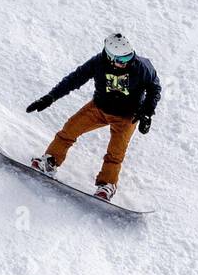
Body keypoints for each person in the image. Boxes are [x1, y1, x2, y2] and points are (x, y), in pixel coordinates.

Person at [25, 31, 161, 201]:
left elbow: (154, 88)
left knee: (115, 153)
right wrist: (50, 97)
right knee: (69, 130)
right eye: (121, 60)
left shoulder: (142, 66)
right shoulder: (98, 63)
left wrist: (147, 113)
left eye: (128, 57)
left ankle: (107, 185)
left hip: (127, 117)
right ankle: (50, 162)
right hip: (99, 109)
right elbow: (75, 79)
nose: (126, 63)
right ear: (110, 57)